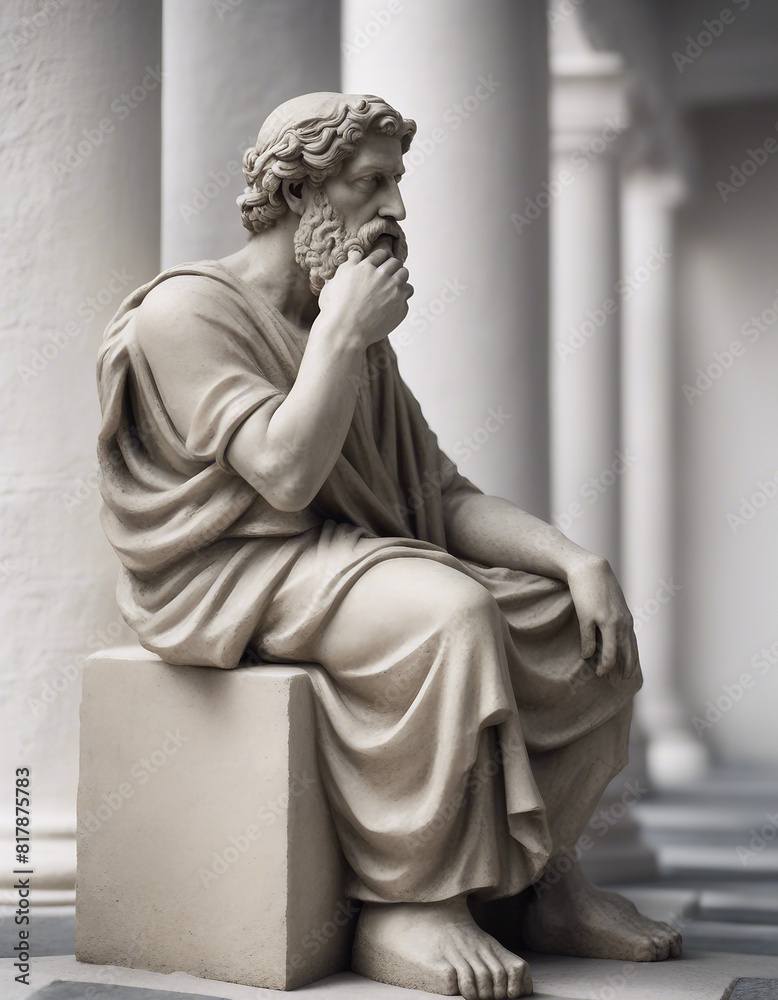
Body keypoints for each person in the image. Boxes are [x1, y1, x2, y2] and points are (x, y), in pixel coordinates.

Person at [96, 92, 681, 1000]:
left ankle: (547, 888)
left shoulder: (353, 338)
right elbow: (284, 477)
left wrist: (573, 559)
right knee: (450, 614)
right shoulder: (189, 314)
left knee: (583, 628)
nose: (396, 210)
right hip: (230, 573)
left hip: (334, 555)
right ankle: (409, 904)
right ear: (297, 193)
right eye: (371, 184)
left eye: (396, 183)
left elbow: (438, 496)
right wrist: (340, 333)